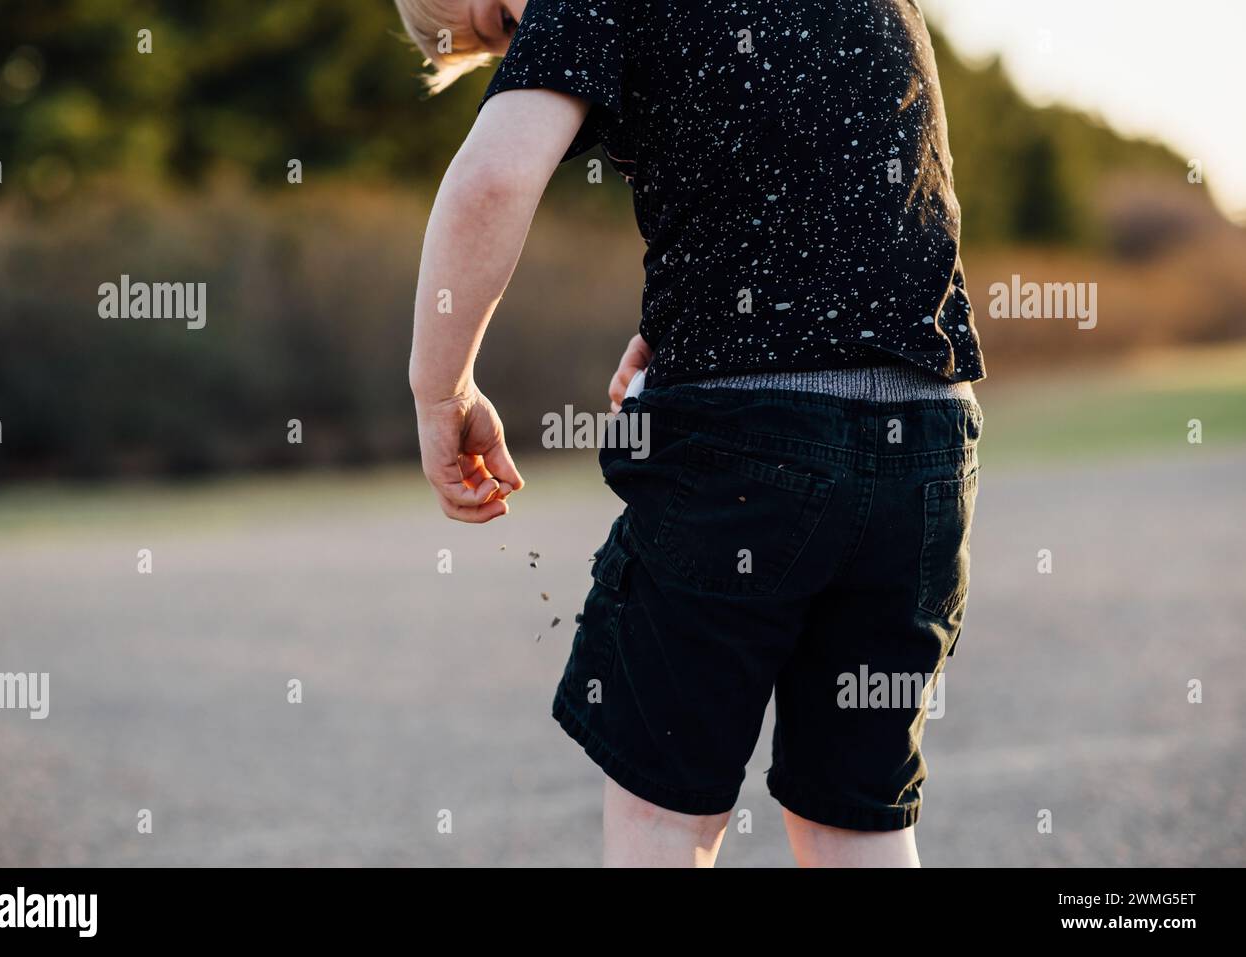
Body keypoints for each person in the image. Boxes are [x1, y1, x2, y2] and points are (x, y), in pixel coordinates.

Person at [402, 0, 985, 867]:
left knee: (663, 814)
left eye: (500, 24)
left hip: (746, 450)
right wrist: (698, 311)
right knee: (856, 815)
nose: (527, 47)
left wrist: (438, 389)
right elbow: (849, 170)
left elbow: (490, 179)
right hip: (928, 439)